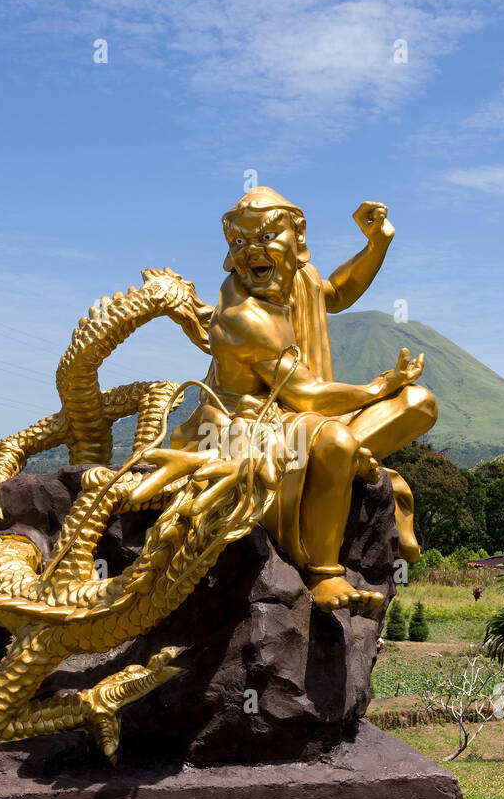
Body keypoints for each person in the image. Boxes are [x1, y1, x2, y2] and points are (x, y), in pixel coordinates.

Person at [171, 187, 437, 614]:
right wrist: (376, 388)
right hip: (245, 428)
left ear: (298, 242)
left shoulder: (298, 278)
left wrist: (377, 243)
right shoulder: (244, 316)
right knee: (335, 442)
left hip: (304, 412)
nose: (250, 252)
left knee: (420, 402)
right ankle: (323, 574)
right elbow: (304, 393)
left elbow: (335, 293)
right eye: (239, 242)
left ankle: (343, 462)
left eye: (265, 237)